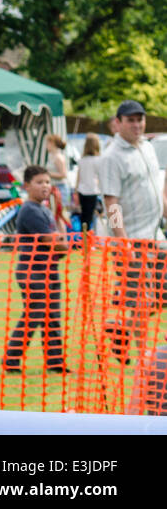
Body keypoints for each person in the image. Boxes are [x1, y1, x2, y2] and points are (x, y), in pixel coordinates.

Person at [101, 100, 165, 356]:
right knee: (140, 301)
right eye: (130, 120)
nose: (137, 124)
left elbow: (155, 187)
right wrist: (123, 241)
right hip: (133, 241)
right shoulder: (111, 157)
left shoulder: (147, 147)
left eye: (140, 119)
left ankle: (121, 329)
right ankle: (145, 356)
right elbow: (111, 203)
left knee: (159, 296)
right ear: (118, 123)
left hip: (156, 236)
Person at [3, 165, 69, 372]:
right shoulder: (30, 210)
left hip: (48, 269)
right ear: (27, 186)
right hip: (33, 272)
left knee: (52, 317)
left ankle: (55, 362)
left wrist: (59, 214)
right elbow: (57, 243)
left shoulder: (45, 210)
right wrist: (62, 240)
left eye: (48, 182)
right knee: (34, 316)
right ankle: (11, 359)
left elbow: (62, 243)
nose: (45, 186)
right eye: (39, 182)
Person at [75, 133, 103, 233]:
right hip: (93, 191)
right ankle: (89, 238)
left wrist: (75, 191)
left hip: (82, 191)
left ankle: (84, 237)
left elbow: (78, 177)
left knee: (84, 216)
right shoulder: (98, 160)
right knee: (91, 217)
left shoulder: (82, 160)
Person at [45, 133, 73, 223]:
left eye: (47, 143)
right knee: (55, 216)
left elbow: (63, 174)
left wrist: (48, 174)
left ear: (52, 143)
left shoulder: (58, 157)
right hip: (54, 188)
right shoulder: (52, 156)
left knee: (60, 216)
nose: (46, 146)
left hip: (60, 189)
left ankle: (63, 236)